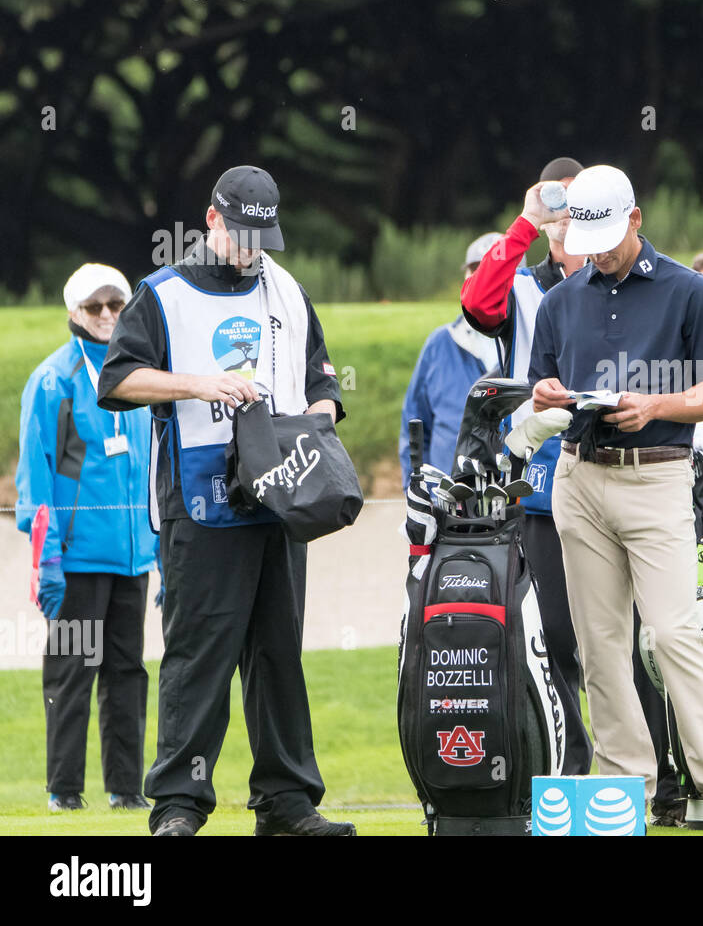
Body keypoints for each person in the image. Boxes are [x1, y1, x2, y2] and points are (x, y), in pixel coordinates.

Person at [98, 165, 354, 837]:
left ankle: (287, 803)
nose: (251, 247)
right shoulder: (162, 294)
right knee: (199, 655)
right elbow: (120, 379)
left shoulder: (287, 291)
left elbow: (323, 384)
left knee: (278, 654)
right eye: (241, 233)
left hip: (280, 497)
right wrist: (199, 385)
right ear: (212, 219)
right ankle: (179, 805)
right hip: (200, 503)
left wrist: (314, 425)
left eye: (261, 236)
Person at [529, 163, 703, 836]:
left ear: (635, 219)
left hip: (658, 475)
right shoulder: (561, 300)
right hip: (580, 476)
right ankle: (621, 790)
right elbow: (546, 385)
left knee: (670, 634)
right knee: (600, 645)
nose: (594, 251)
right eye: (583, 236)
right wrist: (545, 395)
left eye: (605, 234)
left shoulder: (688, 292)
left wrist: (657, 405)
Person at [459, 157, 597, 779]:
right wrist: (524, 223)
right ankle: (570, 768)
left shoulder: (616, 275)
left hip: (609, 461)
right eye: (556, 203)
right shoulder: (521, 282)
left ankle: (659, 777)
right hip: (535, 477)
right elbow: (477, 305)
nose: (567, 215)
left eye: (578, 202)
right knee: (554, 638)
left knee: (623, 637)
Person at [16, 264, 158, 814]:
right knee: (73, 673)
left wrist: (161, 549)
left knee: (128, 672)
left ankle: (127, 790)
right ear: (74, 312)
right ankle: (64, 792)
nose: (106, 316)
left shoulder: (143, 375)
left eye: (115, 305)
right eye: (94, 307)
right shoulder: (54, 380)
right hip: (75, 559)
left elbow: (151, 468)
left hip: (132, 557)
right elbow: (36, 472)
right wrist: (46, 554)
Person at [399, 232, 503, 478]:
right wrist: (415, 489)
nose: (482, 281)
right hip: (445, 500)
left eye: (493, 271)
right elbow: (413, 425)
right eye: (474, 271)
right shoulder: (440, 343)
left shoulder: (533, 341)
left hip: (515, 499)